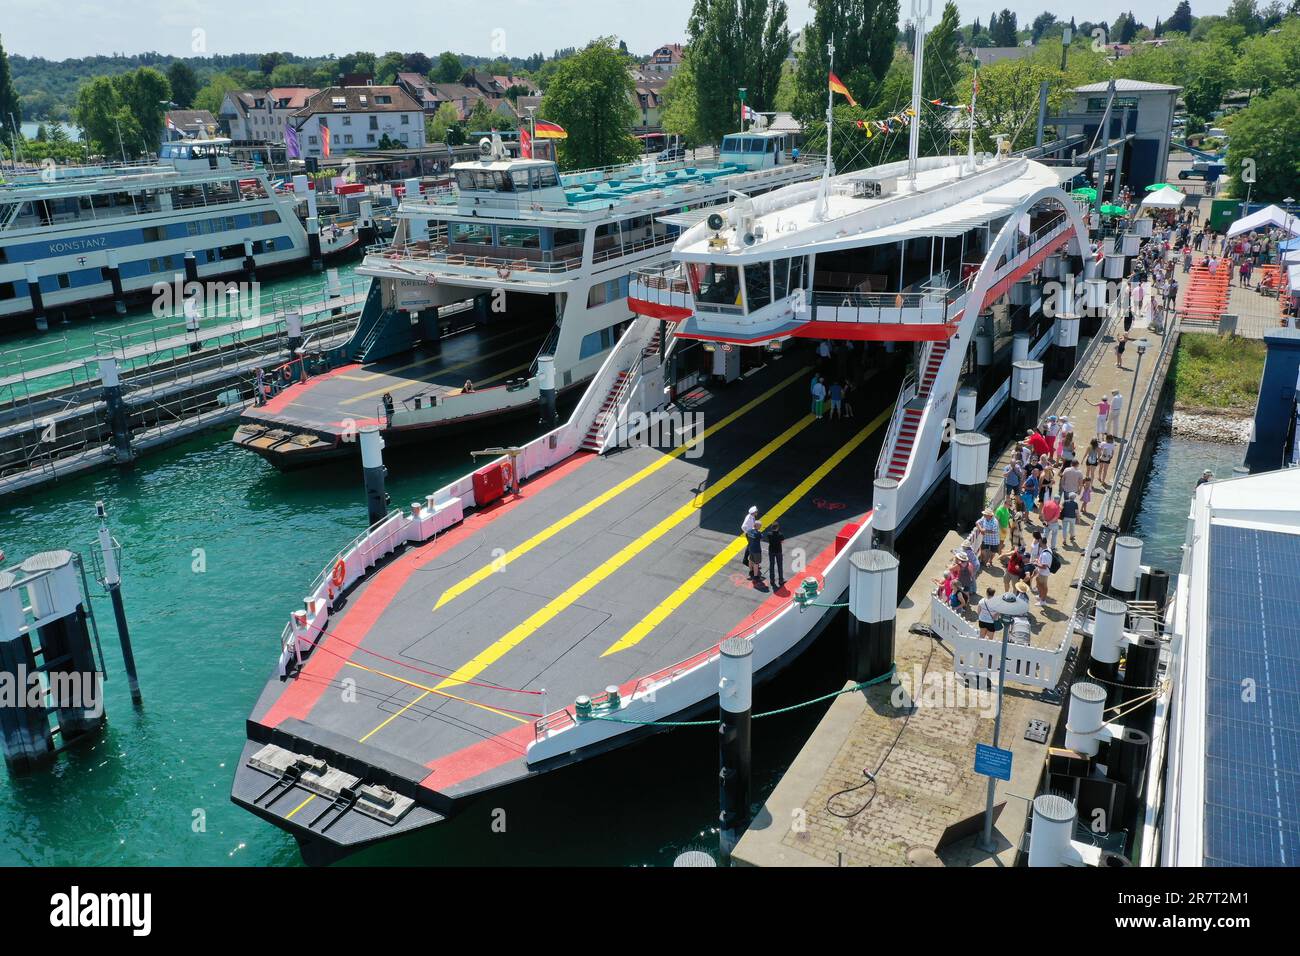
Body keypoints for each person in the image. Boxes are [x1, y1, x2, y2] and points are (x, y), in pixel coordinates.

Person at [765, 521, 785, 590]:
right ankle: (781, 580)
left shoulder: (769, 534)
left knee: (772, 565)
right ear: (778, 527)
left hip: (771, 551)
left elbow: (768, 540)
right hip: (778, 551)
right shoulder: (780, 535)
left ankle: (772, 580)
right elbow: (782, 542)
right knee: (779, 565)